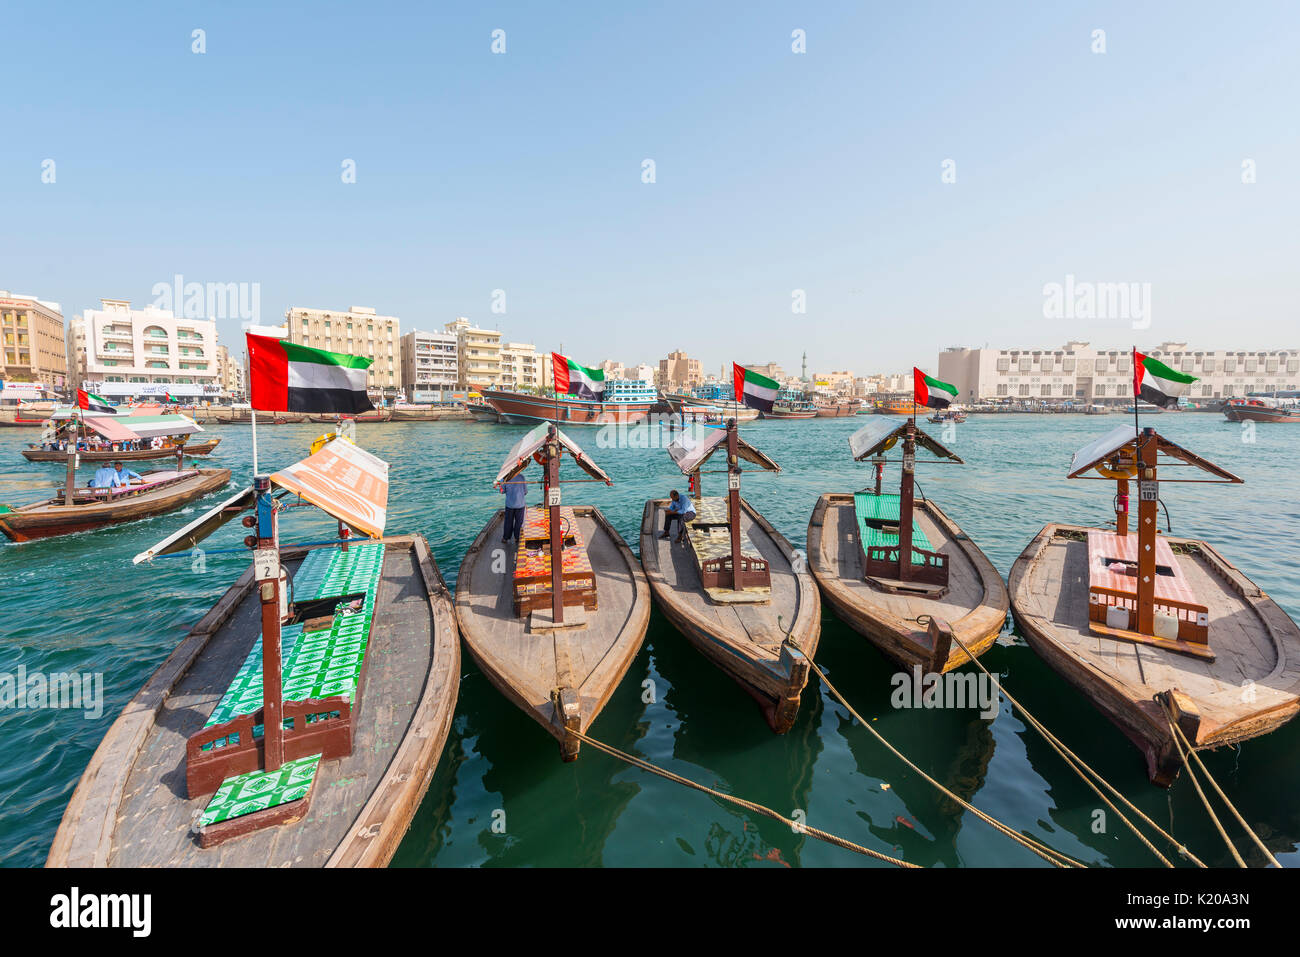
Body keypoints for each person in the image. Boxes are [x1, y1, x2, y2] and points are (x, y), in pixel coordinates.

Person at [499, 473, 527, 543]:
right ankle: (517, 538)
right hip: (520, 504)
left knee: (508, 521)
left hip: (510, 504)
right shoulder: (521, 477)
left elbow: (502, 491)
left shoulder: (505, 478)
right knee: (519, 522)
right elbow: (525, 492)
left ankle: (506, 538)